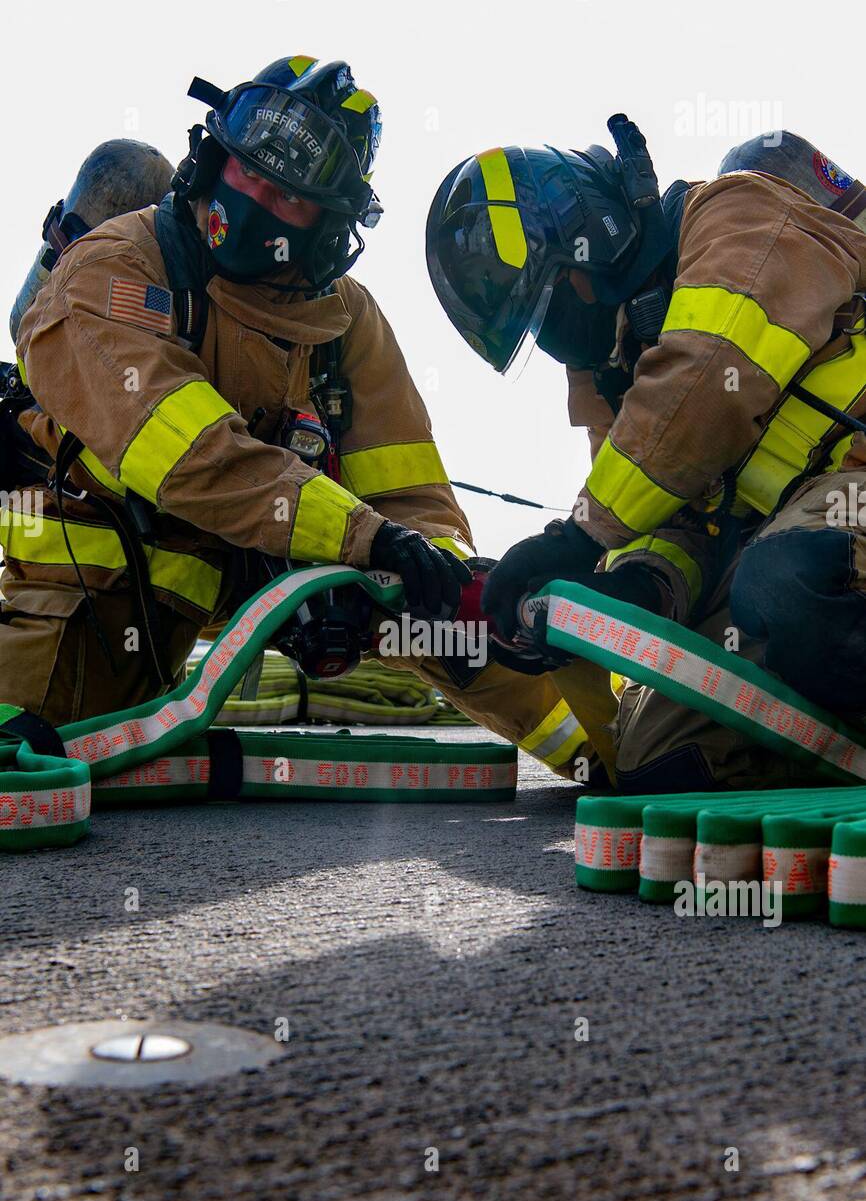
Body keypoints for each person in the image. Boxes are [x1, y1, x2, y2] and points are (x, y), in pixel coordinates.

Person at [0, 56, 588, 779]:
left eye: (289, 196)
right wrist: (360, 536)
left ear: (329, 225)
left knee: (445, 601)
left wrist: (431, 567)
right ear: (215, 158)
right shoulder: (116, 269)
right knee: (28, 757)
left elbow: (409, 499)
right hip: (103, 595)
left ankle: (613, 749)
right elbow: (188, 455)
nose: (256, 201)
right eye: (249, 173)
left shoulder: (346, 321)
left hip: (274, 572)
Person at [426, 117, 866, 790]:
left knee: (789, 584)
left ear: (587, 238)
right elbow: (675, 518)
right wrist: (628, 588)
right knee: (659, 755)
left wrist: (578, 535)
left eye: (548, 307)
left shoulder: (739, 213)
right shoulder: (619, 368)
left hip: (844, 491)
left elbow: (710, 381)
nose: (553, 339)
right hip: (777, 541)